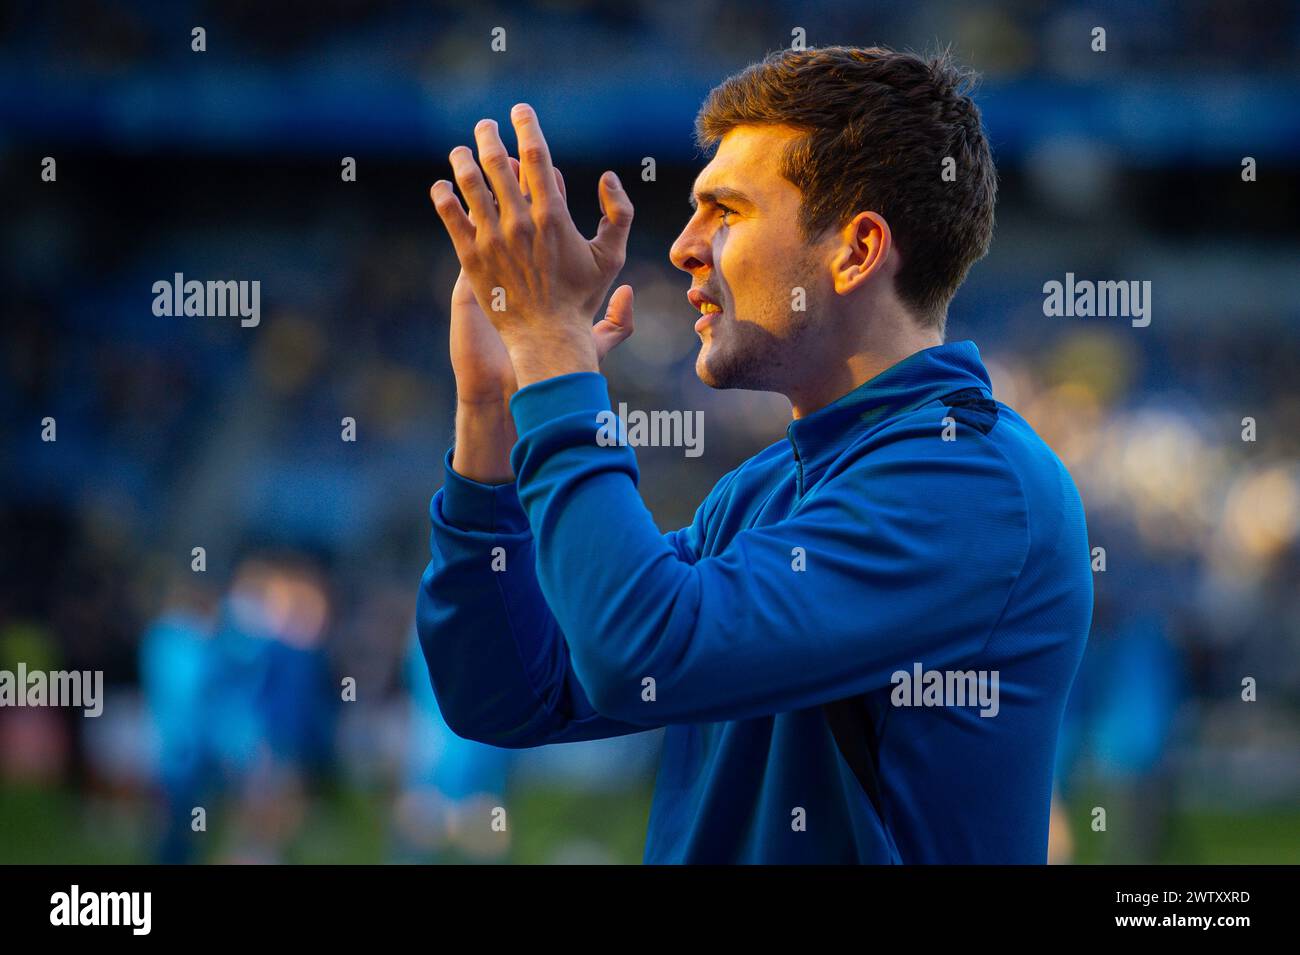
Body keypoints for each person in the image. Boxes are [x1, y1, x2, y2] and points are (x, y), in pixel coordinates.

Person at [417, 46, 1093, 863]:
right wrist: (489, 408)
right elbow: (509, 695)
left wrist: (554, 348)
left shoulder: (974, 484)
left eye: (726, 211)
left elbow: (641, 652)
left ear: (856, 250)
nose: (684, 247)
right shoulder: (768, 487)